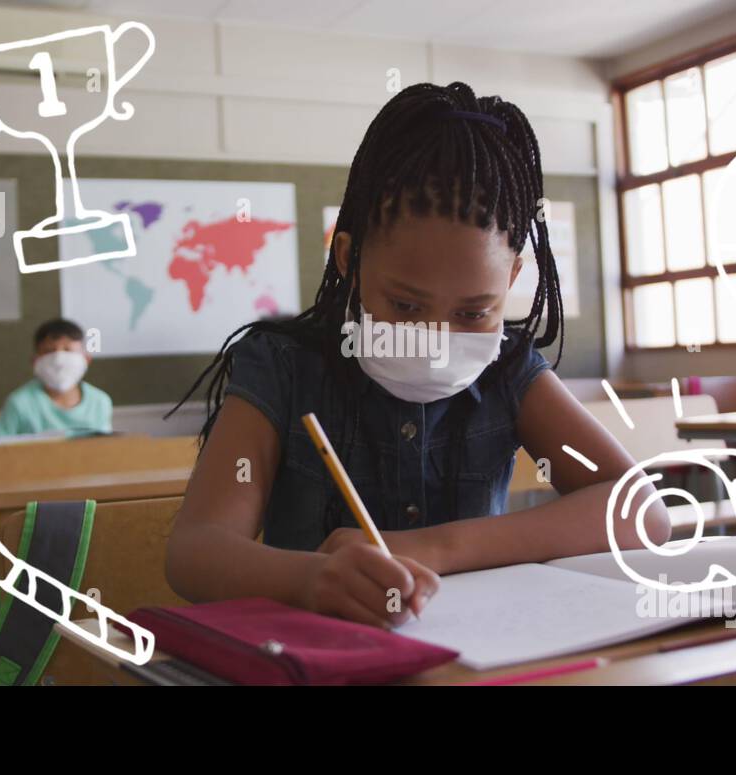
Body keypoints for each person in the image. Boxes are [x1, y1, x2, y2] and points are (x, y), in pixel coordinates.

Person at [164, 82, 671, 629]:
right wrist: (309, 579)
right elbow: (195, 551)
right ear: (347, 259)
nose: (433, 337)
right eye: (405, 305)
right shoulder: (284, 367)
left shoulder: (510, 370)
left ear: (513, 279)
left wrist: (436, 548)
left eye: (475, 313)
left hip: (475, 654)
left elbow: (642, 511)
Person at [0, 318, 112, 437]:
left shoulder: (99, 402)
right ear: (35, 361)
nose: (58, 359)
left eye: (68, 350)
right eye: (49, 351)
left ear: (86, 359)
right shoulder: (20, 403)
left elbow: (105, 449)